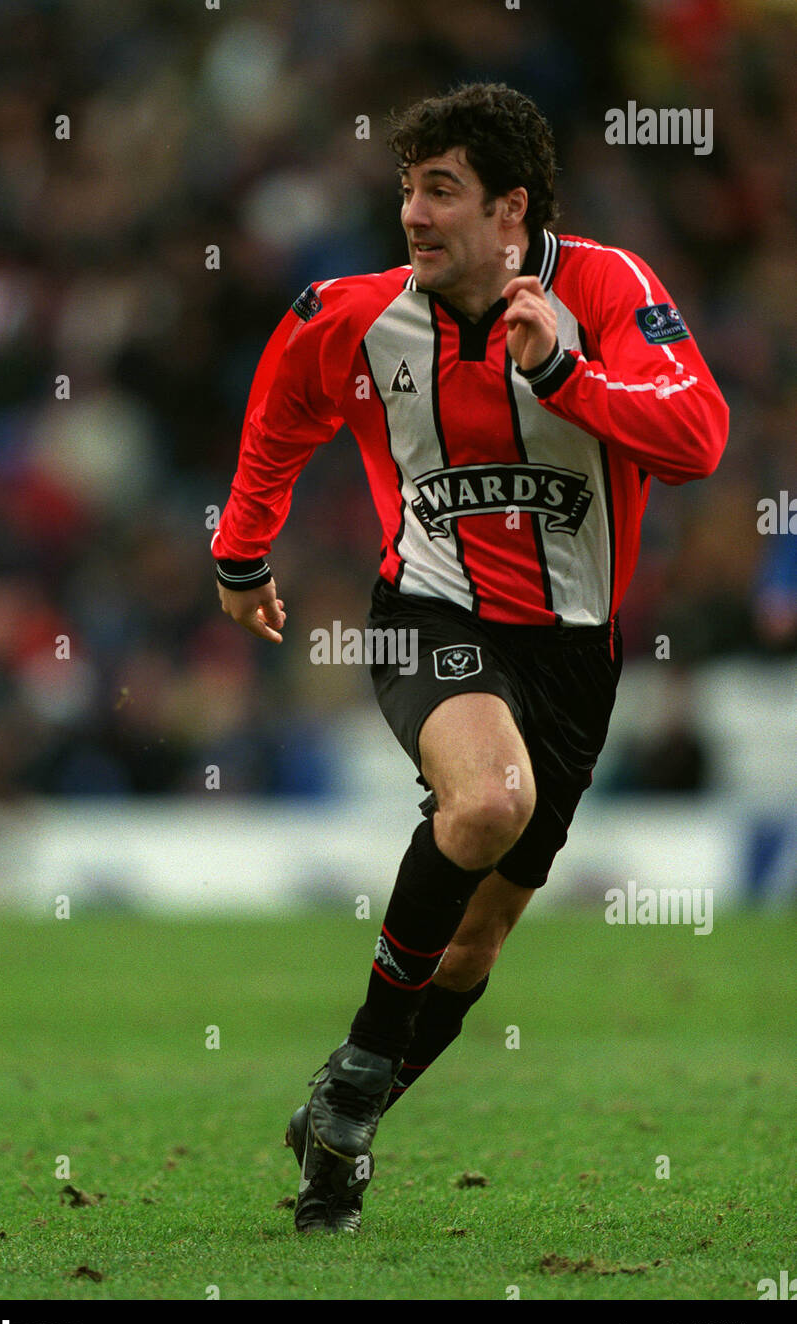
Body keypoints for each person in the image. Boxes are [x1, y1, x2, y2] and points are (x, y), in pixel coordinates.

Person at [212, 82, 729, 1234]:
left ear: (511, 212)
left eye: (438, 190)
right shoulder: (357, 316)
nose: (410, 214)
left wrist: (563, 378)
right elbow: (283, 401)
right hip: (426, 613)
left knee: (473, 944)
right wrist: (242, 554)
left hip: (570, 657)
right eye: (404, 188)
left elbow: (697, 436)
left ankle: (349, 1102)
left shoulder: (607, 289)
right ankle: (353, 1090)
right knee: (490, 799)